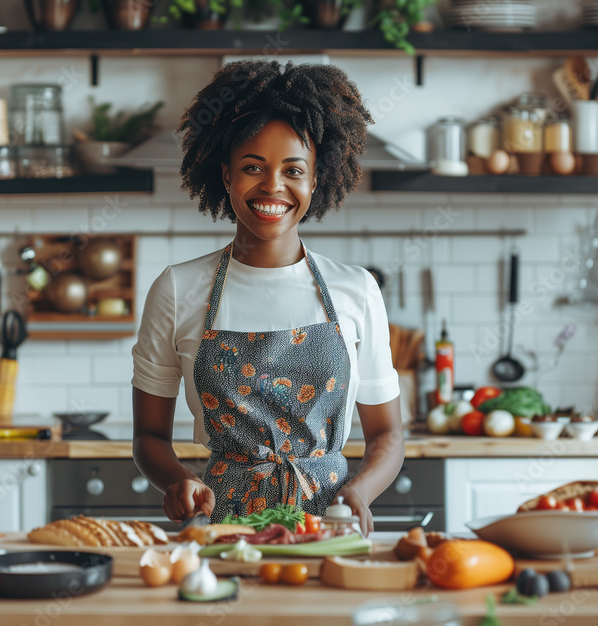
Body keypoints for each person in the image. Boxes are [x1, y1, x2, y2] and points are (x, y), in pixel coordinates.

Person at [131, 59, 403, 534]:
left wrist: (358, 491)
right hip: (224, 531)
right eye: (252, 167)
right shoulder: (177, 289)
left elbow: (387, 434)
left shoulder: (356, 290)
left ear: (316, 179)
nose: (272, 186)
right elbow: (149, 436)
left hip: (329, 526)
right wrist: (178, 480)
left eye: (293, 170)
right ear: (226, 174)